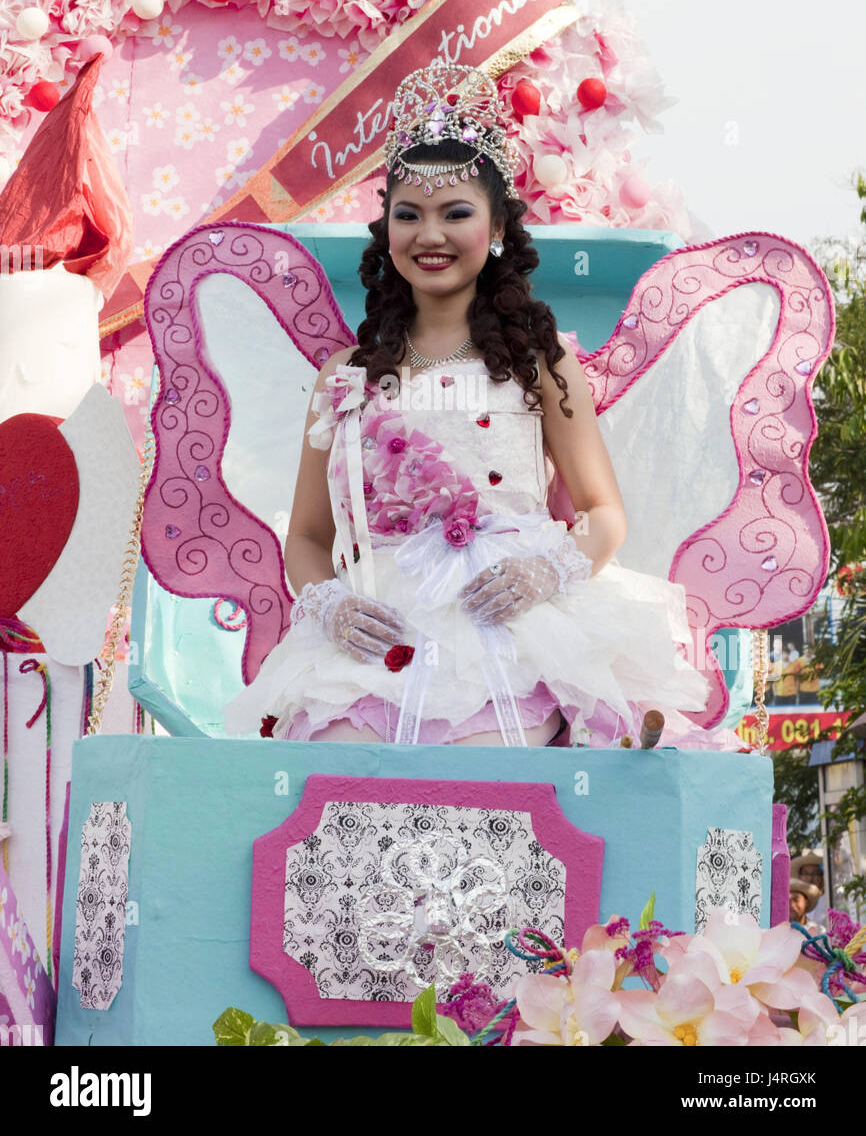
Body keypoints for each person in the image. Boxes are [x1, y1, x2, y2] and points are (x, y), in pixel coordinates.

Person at [223, 58, 741, 749]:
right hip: (377, 633)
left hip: (513, 624)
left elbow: (602, 513)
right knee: (344, 778)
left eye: (454, 213)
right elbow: (310, 537)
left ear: (496, 228)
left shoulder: (541, 363)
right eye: (408, 215)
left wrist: (542, 573)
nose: (429, 235)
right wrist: (332, 604)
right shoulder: (345, 376)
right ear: (387, 230)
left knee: (489, 784)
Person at [791, 849, 827, 929]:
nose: (810, 878)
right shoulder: (792, 900)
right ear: (799, 876)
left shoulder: (828, 901)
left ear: (822, 877)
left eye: (815, 873)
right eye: (805, 873)